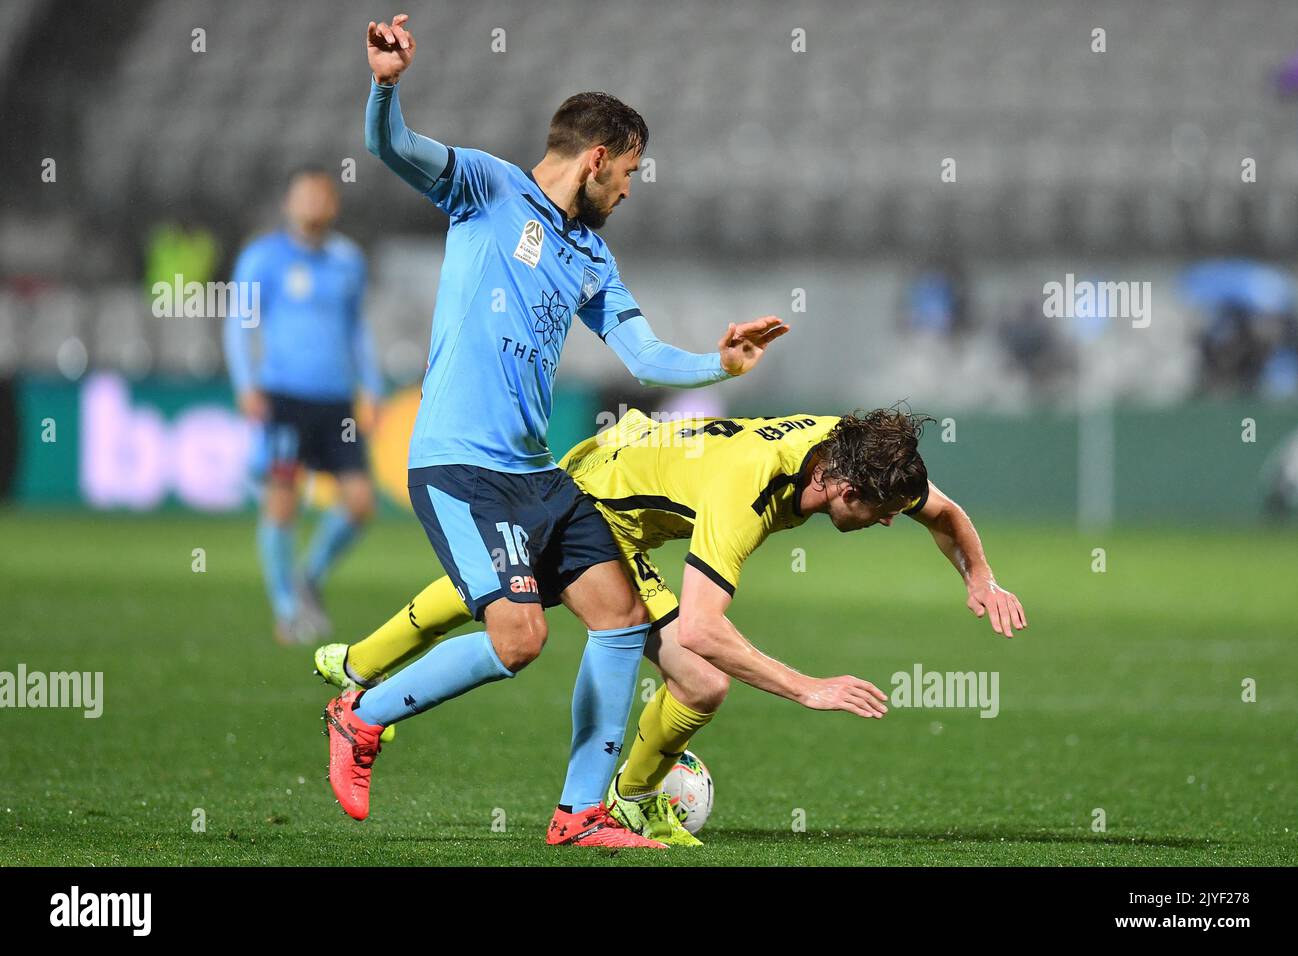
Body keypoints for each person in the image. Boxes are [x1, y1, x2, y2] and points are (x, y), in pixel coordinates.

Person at [321, 14, 788, 849]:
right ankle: (361, 712)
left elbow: (641, 352)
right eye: (631, 173)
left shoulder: (590, 256)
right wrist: (386, 85)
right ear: (598, 158)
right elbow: (395, 149)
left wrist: (721, 362)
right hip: (460, 467)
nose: (630, 191)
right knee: (521, 637)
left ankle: (579, 814)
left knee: (615, 619)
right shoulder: (489, 188)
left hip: (538, 475)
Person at [318, 406, 1028, 845]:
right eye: (879, 514)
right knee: (699, 678)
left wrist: (980, 577)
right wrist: (808, 687)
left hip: (624, 473)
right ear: (840, 488)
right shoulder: (745, 493)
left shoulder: (850, 447)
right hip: (599, 510)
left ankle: (356, 671)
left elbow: (945, 511)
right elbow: (703, 629)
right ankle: (622, 801)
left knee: (504, 599)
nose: (886, 523)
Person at [224, 167, 384, 645]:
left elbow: (358, 329)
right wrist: (246, 382)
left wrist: (371, 388)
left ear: (334, 204)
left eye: (322, 195)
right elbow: (238, 323)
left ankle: (307, 578)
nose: (314, 203)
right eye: (305, 195)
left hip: (336, 399)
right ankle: (287, 609)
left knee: (359, 503)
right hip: (285, 397)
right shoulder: (264, 257)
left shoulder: (348, 260)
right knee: (282, 498)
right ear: (288, 204)